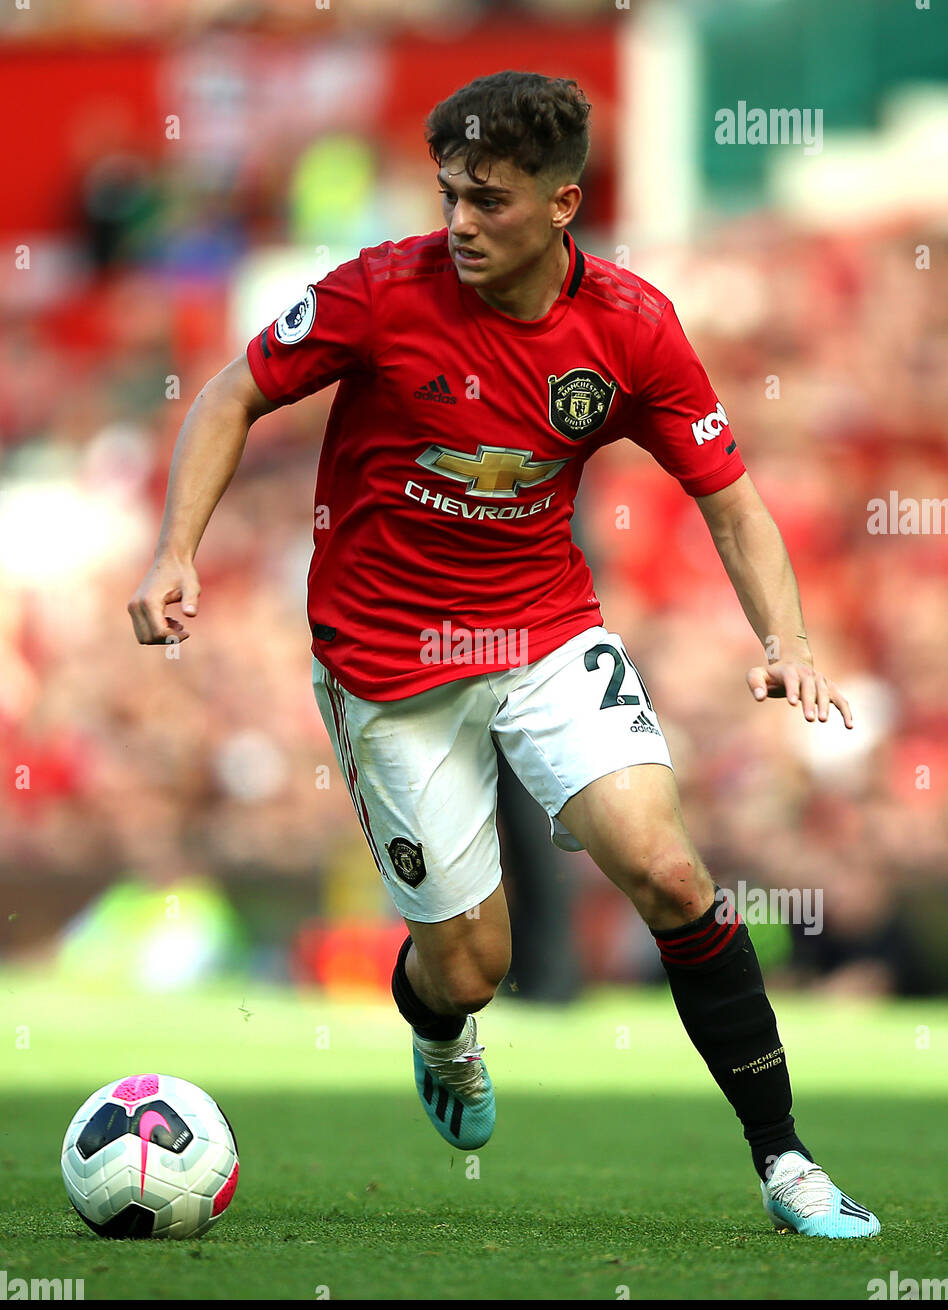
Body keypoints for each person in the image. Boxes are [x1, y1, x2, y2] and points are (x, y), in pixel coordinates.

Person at [128, 71, 879, 1239]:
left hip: (543, 633)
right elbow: (229, 396)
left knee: (673, 875)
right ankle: (441, 1029)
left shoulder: (631, 325)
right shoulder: (378, 292)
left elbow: (729, 497)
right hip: (386, 660)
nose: (461, 223)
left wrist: (784, 639)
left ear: (565, 202)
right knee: (472, 965)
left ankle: (785, 1159)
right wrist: (176, 550)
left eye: (488, 200)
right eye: (450, 196)